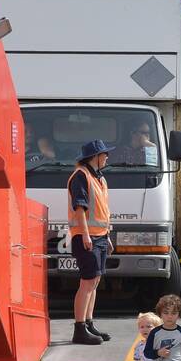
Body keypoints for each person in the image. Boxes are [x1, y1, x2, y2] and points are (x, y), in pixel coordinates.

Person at [67, 139, 114, 346]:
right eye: (104, 154)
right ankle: (79, 329)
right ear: (95, 157)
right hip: (86, 237)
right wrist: (85, 235)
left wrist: (107, 237)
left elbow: (102, 211)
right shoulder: (81, 176)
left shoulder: (99, 178)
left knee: (94, 281)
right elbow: (80, 208)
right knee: (87, 282)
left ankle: (88, 323)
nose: (107, 157)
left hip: (100, 236)